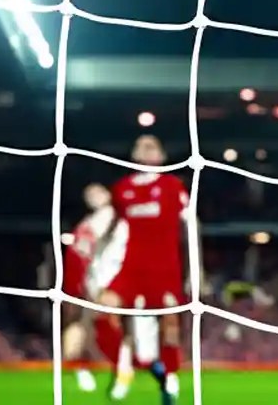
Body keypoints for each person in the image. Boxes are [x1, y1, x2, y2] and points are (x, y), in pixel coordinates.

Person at [96, 135, 191, 403]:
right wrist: (99, 257)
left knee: (170, 326)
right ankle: (128, 366)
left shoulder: (172, 186)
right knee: (104, 311)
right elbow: (112, 226)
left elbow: (189, 227)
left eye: (152, 145)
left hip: (165, 270)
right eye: (140, 144)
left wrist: (195, 270)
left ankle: (169, 377)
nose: (145, 147)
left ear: (161, 156)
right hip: (131, 268)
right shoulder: (122, 189)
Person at [60, 183, 116, 393]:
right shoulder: (90, 223)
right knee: (78, 325)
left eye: (97, 192)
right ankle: (77, 367)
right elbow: (80, 254)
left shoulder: (113, 218)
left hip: (104, 282)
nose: (93, 197)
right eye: (89, 194)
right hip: (87, 283)